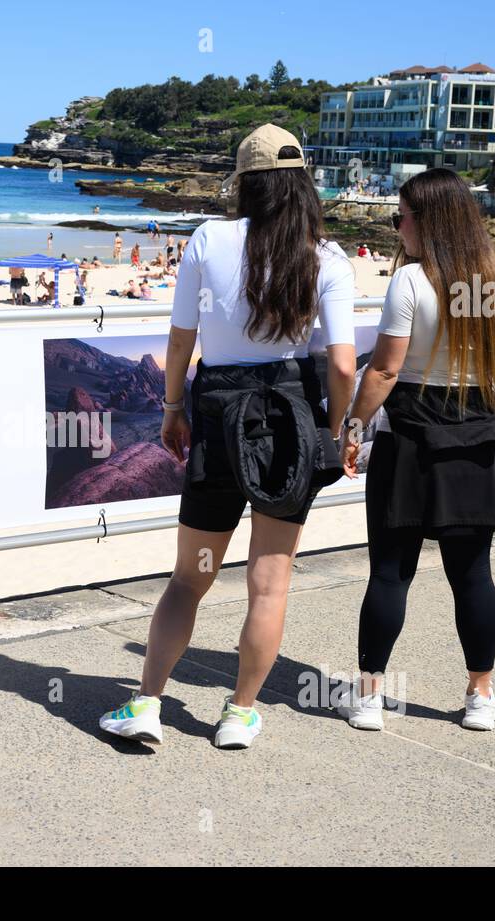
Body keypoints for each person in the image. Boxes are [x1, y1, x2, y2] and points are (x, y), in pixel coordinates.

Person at [99, 124, 357, 750]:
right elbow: (345, 365)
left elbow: (181, 341)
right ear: (302, 183)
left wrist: (171, 406)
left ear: (244, 182)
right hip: (290, 416)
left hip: (218, 412)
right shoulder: (327, 256)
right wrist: (334, 432)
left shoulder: (209, 238)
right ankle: (239, 715)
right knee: (270, 582)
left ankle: (148, 703)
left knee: (190, 577)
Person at [337, 168, 495, 734]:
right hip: (477, 435)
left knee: (390, 573)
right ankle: (479, 697)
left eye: (401, 216)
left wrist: (353, 427)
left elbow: (386, 368)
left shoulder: (410, 282)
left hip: (411, 436)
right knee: (473, 575)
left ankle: (372, 698)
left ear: (427, 219)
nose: (398, 227)